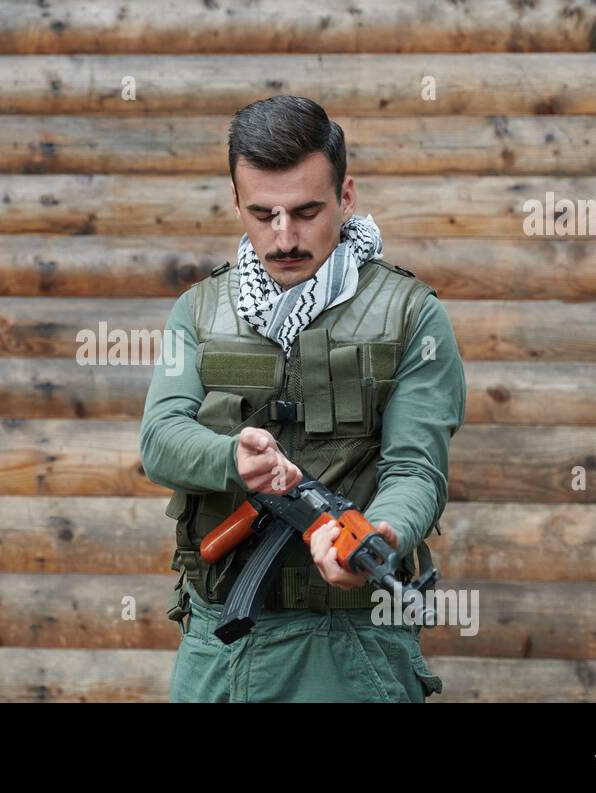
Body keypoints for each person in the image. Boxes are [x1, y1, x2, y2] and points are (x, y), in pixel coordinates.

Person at [138, 95, 466, 702]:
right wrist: (231, 459)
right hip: (218, 644)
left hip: (350, 647)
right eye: (263, 214)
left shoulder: (411, 316)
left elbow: (416, 467)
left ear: (346, 197)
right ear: (236, 202)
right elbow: (159, 438)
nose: (284, 236)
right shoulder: (199, 310)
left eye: (307, 211)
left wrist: (383, 533)